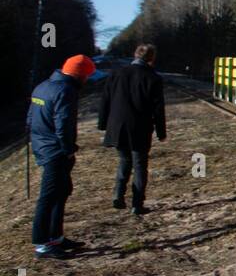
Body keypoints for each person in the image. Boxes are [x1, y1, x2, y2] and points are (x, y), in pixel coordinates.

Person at [28, 54, 96, 258]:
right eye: (87, 76)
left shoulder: (43, 86)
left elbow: (30, 117)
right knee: (49, 196)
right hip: (56, 151)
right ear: (80, 75)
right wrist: (68, 150)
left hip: (43, 145)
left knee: (62, 191)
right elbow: (64, 124)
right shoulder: (66, 91)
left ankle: (56, 236)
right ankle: (42, 243)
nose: (87, 80)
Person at [98, 43, 167, 215]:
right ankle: (137, 204)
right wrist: (161, 132)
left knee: (124, 160)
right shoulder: (153, 78)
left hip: (118, 126)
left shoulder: (117, 73)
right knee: (140, 165)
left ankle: (118, 194)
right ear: (151, 58)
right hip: (140, 128)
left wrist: (102, 123)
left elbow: (105, 99)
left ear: (135, 55)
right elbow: (158, 109)